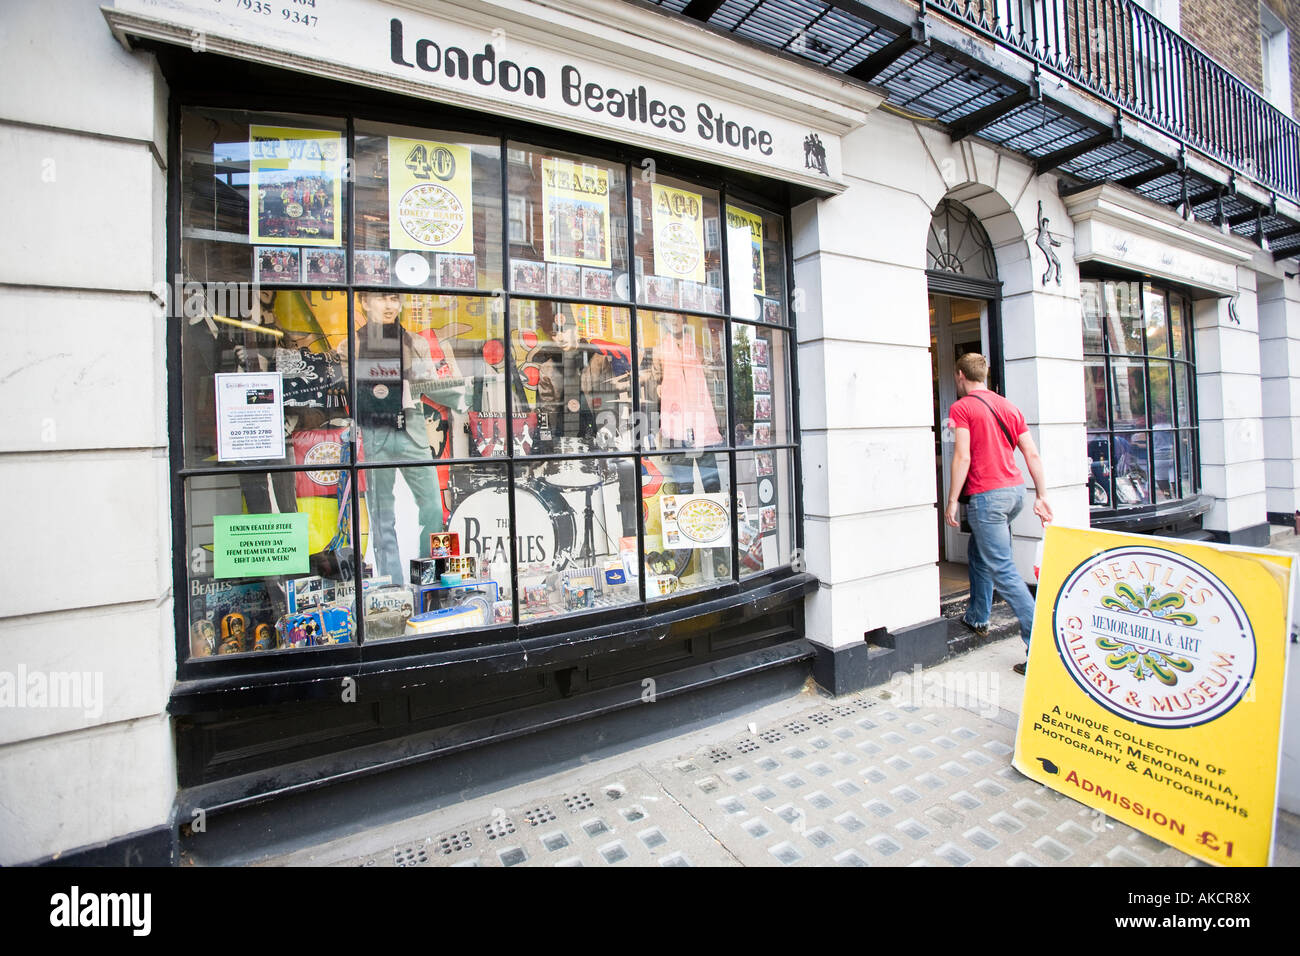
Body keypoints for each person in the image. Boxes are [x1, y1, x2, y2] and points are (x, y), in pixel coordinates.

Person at [944, 353, 1052, 674]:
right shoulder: (1008, 406)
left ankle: (1040, 646)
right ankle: (979, 615)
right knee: (980, 552)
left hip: (988, 497)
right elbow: (1031, 453)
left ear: (961, 375)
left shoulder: (962, 407)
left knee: (1003, 570)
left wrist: (952, 500)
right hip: (1015, 493)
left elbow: (962, 456)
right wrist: (1041, 495)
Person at [354, 291, 453, 582]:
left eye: (394, 298)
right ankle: (392, 587)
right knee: (382, 515)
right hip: (375, 430)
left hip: (412, 428)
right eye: (382, 298)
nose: (389, 305)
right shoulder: (352, 345)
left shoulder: (415, 342)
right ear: (363, 302)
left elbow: (433, 387)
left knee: (433, 507)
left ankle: (429, 577)